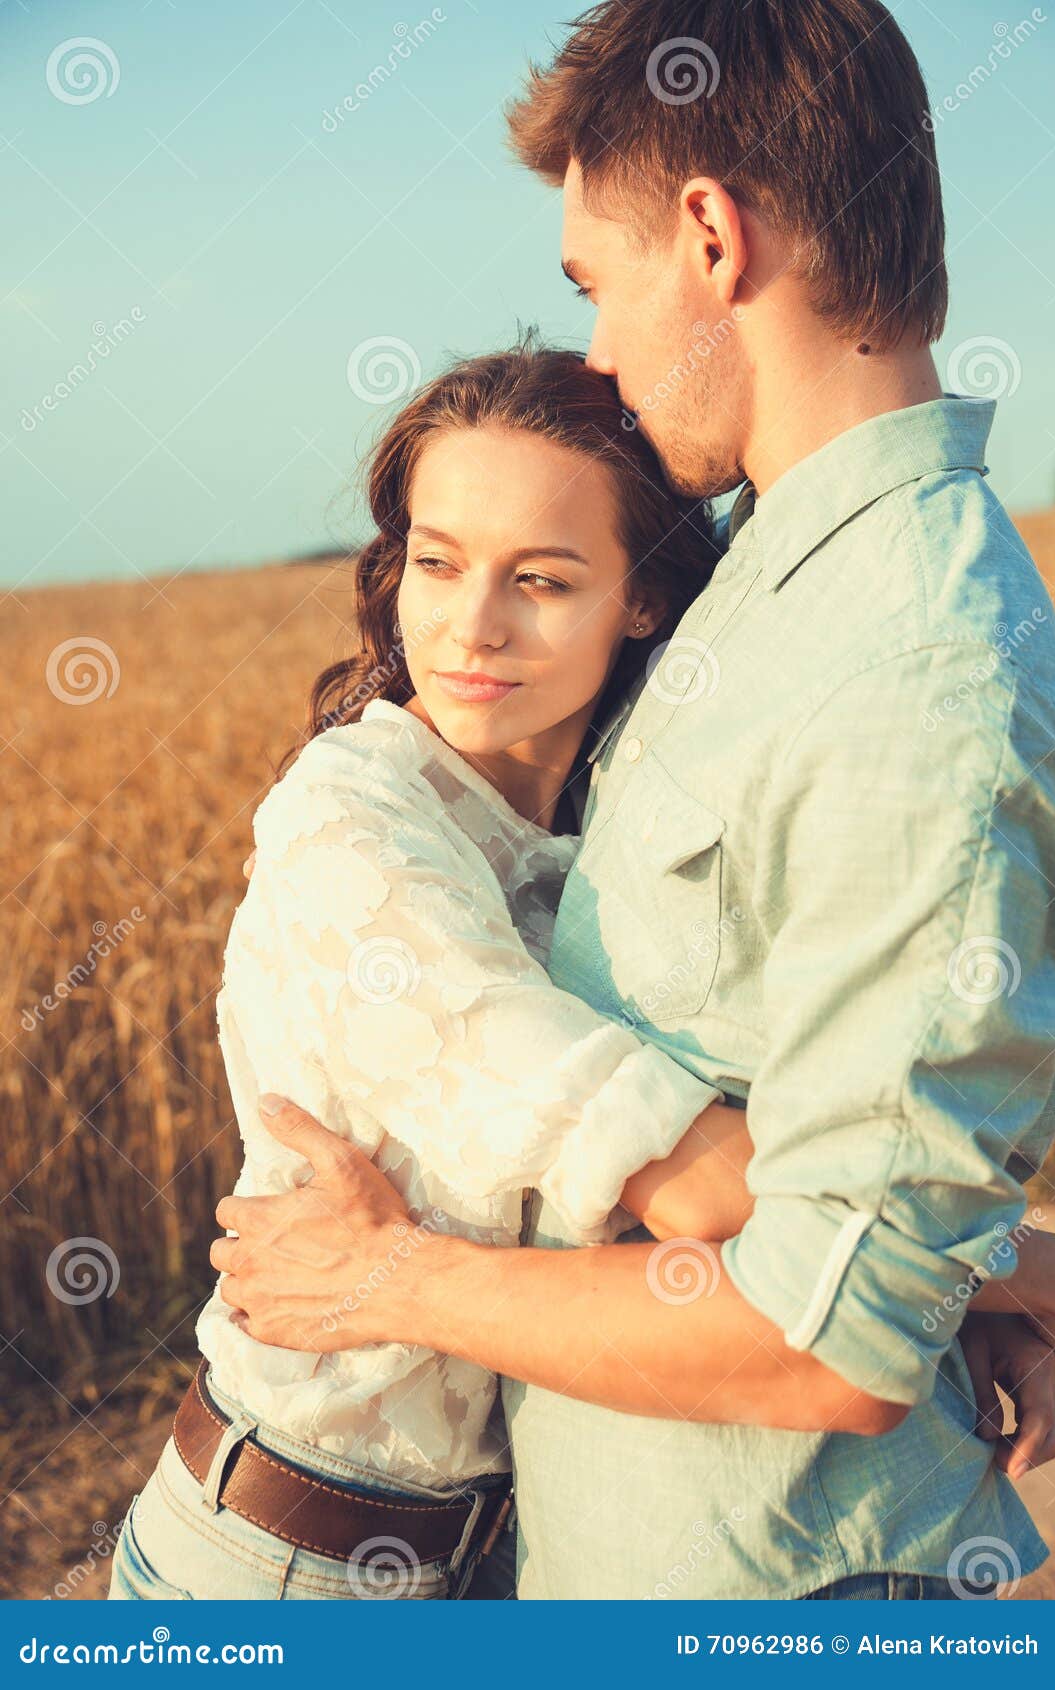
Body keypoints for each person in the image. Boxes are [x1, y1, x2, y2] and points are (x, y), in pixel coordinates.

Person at [211, 0, 1055, 1602]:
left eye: (591, 286)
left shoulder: (912, 667)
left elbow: (830, 1338)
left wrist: (389, 1273)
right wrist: (989, 1265)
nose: (593, 350)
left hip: (761, 1590)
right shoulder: (772, 573)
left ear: (709, 234)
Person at [111, 342, 821, 1601]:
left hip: (511, 1557)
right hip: (289, 1567)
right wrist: (1019, 1279)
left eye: (540, 579)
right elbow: (696, 1187)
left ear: (641, 598)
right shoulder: (355, 835)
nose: (470, 627)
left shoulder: (607, 830)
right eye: (435, 563)